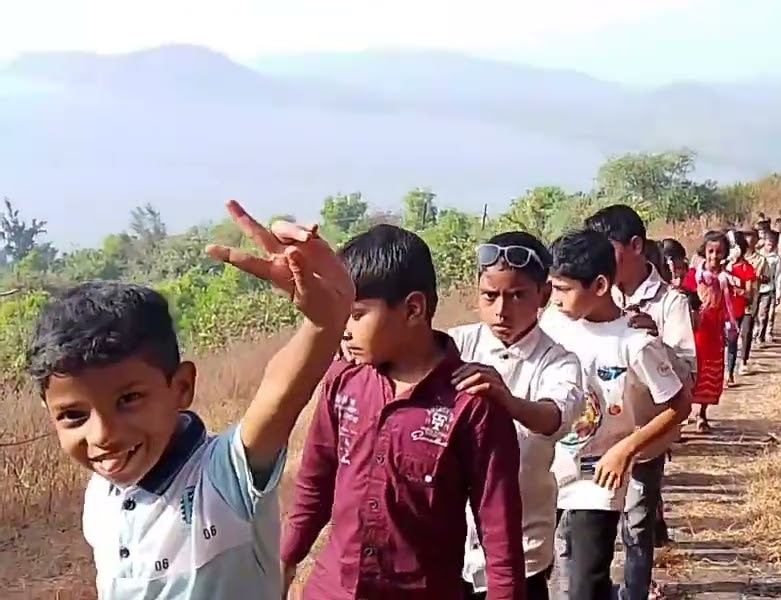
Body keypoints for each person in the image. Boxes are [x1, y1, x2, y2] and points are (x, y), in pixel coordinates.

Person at [25, 201, 354, 600]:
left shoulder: (223, 478)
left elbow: (279, 391)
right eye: (73, 416)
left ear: (181, 387)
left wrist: (324, 323)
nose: (103, 435)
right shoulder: (100, 496)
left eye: (128, 399)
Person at [281, 224, 526, 600]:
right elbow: (315, 484)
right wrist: (283, 562)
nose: (344, 331)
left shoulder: (473, 405)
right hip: (332, 590)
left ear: (413, 309)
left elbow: (499, 533)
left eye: (357, 315)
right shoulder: (343, 380)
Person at [539, 229, 691, 600]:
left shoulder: (635, 342)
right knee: (539, 571)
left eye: (564, 289)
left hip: (598, 479)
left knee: (586, 584)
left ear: (600, 285)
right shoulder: (552, 325)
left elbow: (679, 405)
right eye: (553, 288)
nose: (555, 298)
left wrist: (625, 450)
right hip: (547, 470)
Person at [447, 232, 586, 600]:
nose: (501, 310)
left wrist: (509, 402)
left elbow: (553, 416)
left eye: (517, 296)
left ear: (543, 295)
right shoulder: (453, 346)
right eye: (490, 296)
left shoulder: (559, 362)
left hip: (521, 554)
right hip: (447, 551)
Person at [584, 205, 697, 600]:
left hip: (644, 436)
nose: (600, 260)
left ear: (635, 246)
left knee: (635, 523)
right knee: (591, 523)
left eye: (608, 250)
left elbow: (688, 376)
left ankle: (635, 591)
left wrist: (656, 342)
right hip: (597, 433)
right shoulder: (598, 293)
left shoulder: (670, 304)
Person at [681, 232, 732, 430]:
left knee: (709, 373)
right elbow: (683, 298)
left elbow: (729, 304)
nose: (714, 256)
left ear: (725, 253)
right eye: (711, 251)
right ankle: (682, 414)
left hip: (714, 333)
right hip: (694, 332)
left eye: (719, 252)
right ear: (704, 252)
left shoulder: (725, 278)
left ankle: (702, 414)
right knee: (691, 371)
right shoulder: (694, 276)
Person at [721, 233, 758, 387]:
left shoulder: (746, 268)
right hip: (721, 310)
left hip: (738, 311)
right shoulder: (722, 267)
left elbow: (749, 293)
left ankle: (729, 373)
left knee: (732, 342)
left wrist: (736, 289)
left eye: (733, 246)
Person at [737, 229, 770, 373]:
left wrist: (758, 278)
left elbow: (767, 277)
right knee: (731, 333)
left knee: (746, 330)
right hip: (733, 300)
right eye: (746, 236)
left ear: (757, 240)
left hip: (750, 300)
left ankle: (743, 361)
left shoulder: (761, 260)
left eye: (751, 236)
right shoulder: (734, 258)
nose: (748, 239)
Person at [755, 231, 781, 345]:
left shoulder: (776, 259)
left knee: (765, 314)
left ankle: (762, 335)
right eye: (768, 244)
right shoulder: (757, 256)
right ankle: (755, 331)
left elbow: (779, 276)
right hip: (756, 289)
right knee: (754, 313)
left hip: (768, 289)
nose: (769, 247)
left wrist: (778, 293)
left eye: (772, 245)